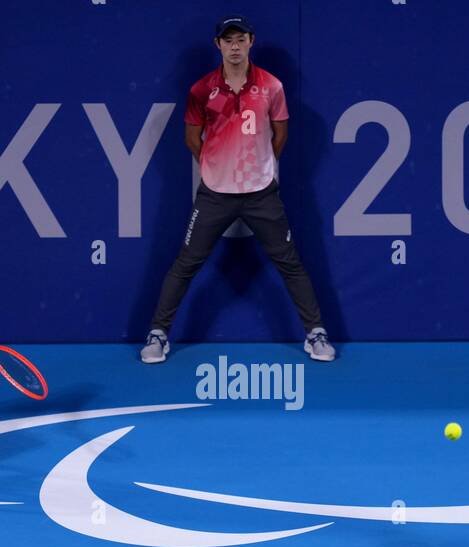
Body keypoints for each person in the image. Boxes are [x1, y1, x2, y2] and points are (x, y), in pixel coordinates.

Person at [141, 15, 335, 364]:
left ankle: (316, 334)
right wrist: (217, 166)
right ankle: (158, 334)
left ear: (250, 42)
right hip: (215, 195)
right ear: (218, 45)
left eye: (240, 39)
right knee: (186, 264)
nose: (234, 46)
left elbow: (280, 134)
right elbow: (191, 138)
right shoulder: (201, 90)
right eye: (228, 40)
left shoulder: (272, 86)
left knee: (290, 264)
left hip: (261, 194)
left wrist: (260, 166)